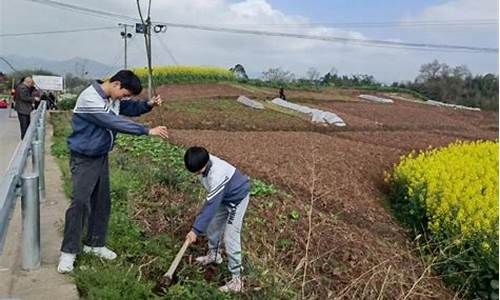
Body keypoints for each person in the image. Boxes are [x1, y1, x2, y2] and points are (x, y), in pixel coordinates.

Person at [57, 70, 169, 273]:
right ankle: (68, 252)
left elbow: (126, 107)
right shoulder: (89, 97)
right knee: (80, 203)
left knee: (102, 201)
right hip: (84, 158)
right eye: (124, 93)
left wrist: (147, 105)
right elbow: (112, 121)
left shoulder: (112, 98)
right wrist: (146, 130)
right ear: (116, 84)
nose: (124, 98)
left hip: (100, 155)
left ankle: (95, 244)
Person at [184, 146, 250, 293]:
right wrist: (200, 226)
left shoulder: (217, 174)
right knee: (212, 226)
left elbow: (211, 204)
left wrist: (195, 230)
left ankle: (237, 280)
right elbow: (212, 201)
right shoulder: (201, 162)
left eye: (197, 172)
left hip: (236, 200)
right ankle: (214, 256)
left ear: (204, 165)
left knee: (230, 238)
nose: (196, 175)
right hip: (222, 197)